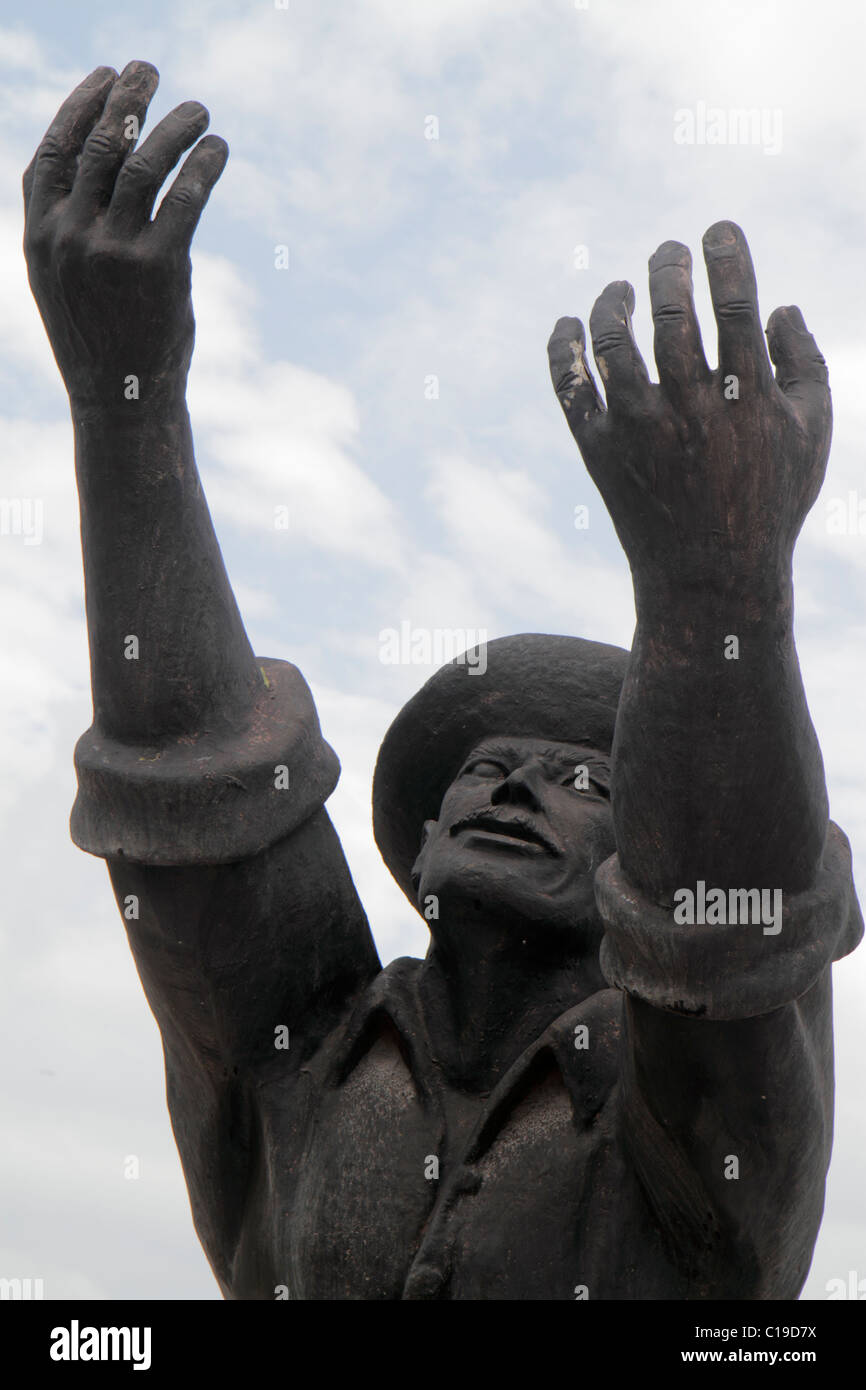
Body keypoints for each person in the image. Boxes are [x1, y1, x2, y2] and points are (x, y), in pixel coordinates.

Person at [23, 60, 862, 1301]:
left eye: (576, 778)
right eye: (482, 772)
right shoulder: (298, 1056)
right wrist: (123, 398)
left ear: (636, 861)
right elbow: (194, 800)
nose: (510, 788)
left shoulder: (678, 1125)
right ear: (415, 860)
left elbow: (727, 933)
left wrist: (715, 593)